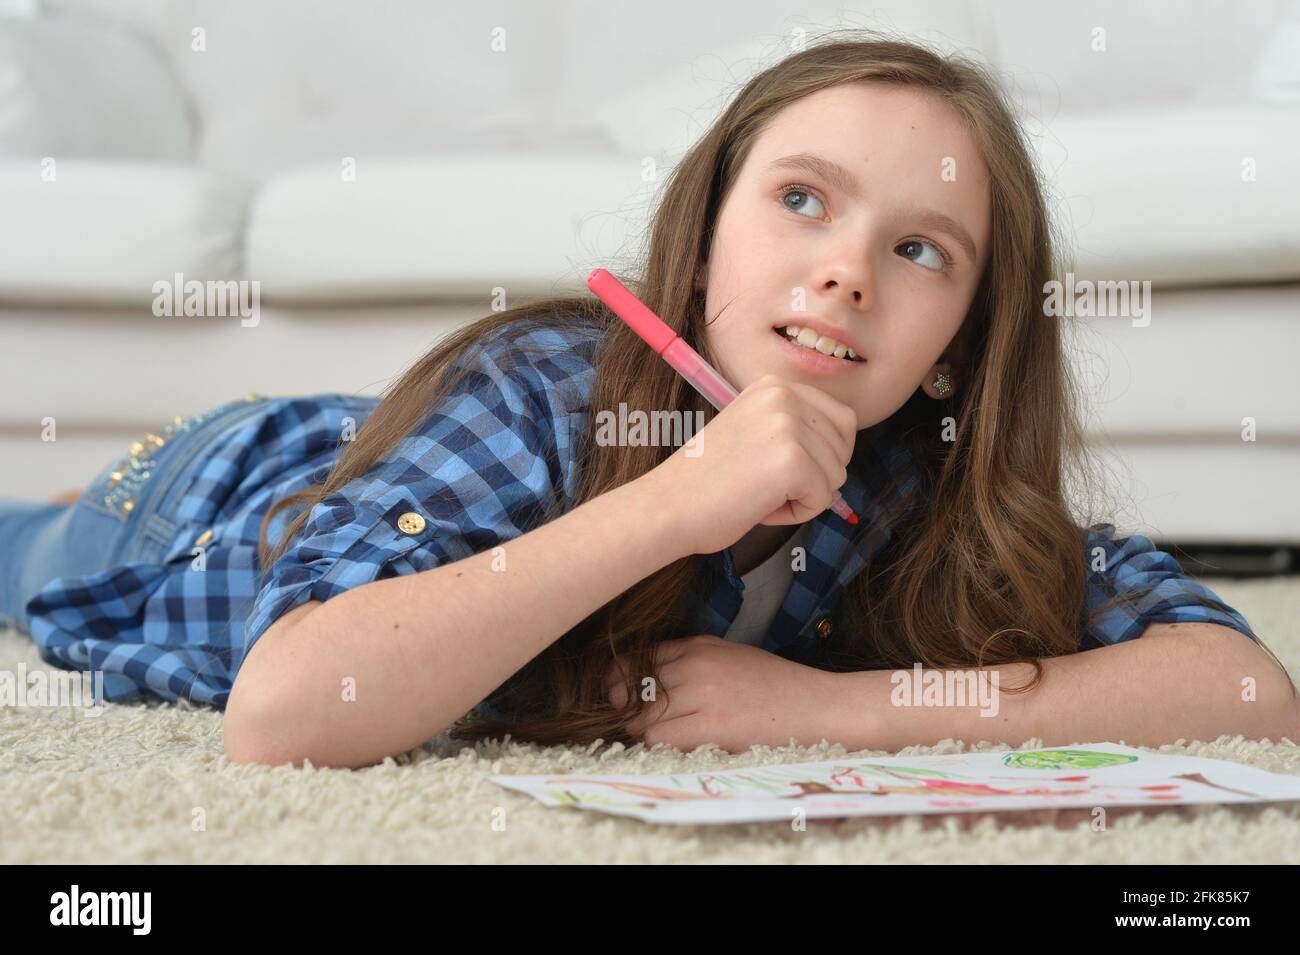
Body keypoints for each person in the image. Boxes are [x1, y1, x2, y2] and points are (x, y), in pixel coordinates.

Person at [2, 34, 1294, 768]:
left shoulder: (921, 478)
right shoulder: (542, 398)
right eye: (801, 200)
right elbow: (283, 715)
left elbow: (1247, 696)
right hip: (221, 489)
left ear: (956, 347)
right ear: (702, 245)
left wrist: (834, 711)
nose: (846, 269)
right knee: (29, 544)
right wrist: (678, 500)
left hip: (396, 459)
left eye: (920, 252)